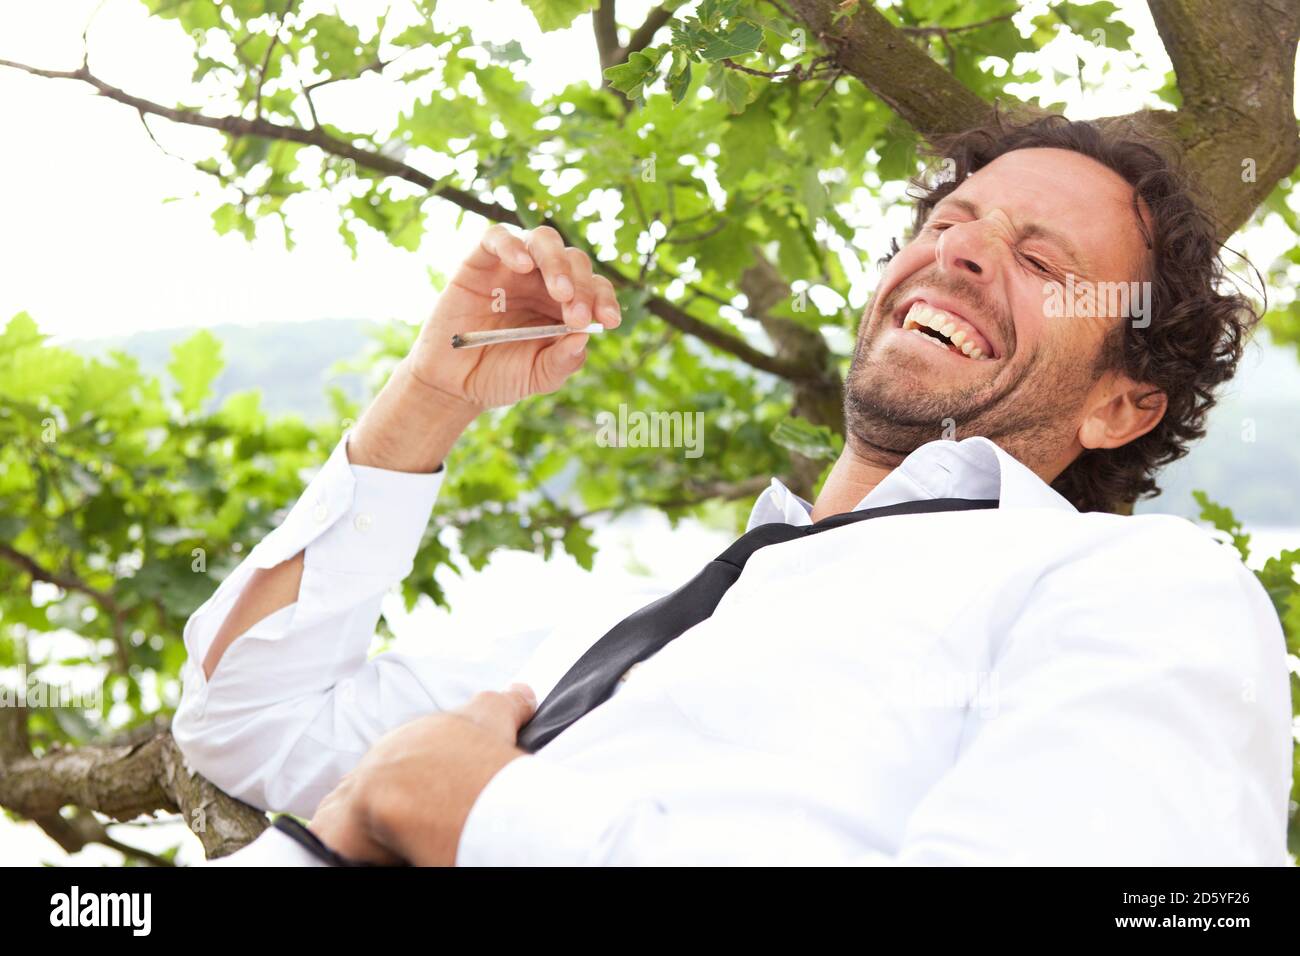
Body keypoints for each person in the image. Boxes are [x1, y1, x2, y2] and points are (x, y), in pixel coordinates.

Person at [174, 115, 1292, 866]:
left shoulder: (1139, 588)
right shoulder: (622, 607)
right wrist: (430, 392)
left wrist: (488, 814)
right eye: (949, 223)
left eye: (1042, 263)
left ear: (1120, 408)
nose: (958, 253)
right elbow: (252, 720)